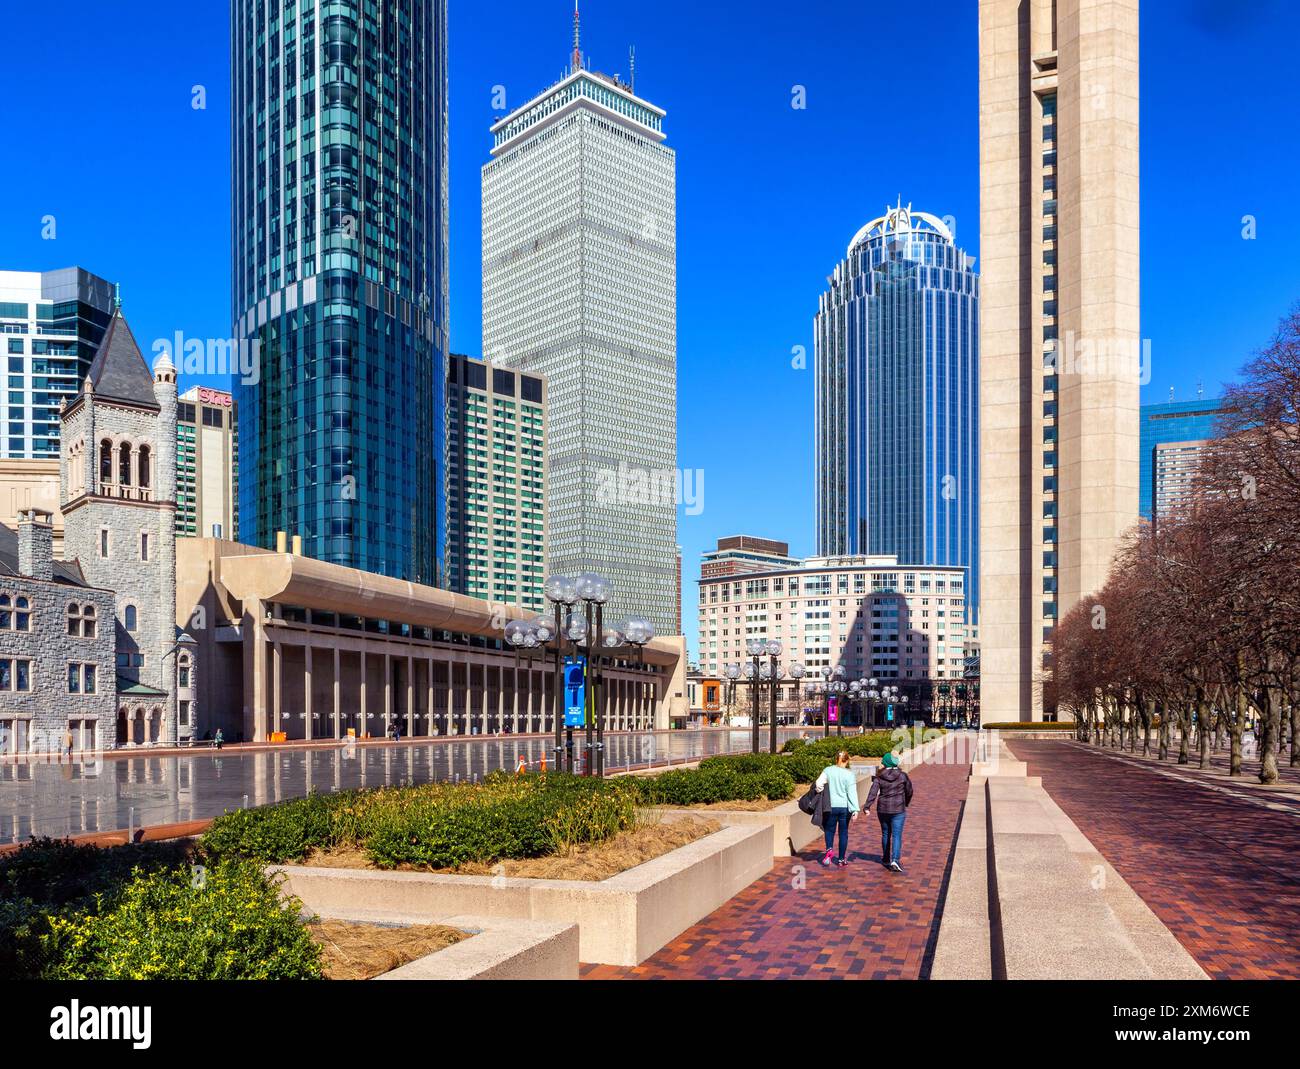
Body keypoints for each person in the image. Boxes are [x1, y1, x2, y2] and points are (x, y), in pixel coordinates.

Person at [864, 750, 913, 873]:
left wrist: (867, 806)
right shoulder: (903, 776)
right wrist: (906, 802)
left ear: (885, 763)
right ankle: (895, 860)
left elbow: (873, 792)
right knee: (896, 835)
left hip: (883, 809)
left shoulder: (879, 776)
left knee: (886, 833)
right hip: (898, 809)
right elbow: (909, 791)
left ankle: (886, 858)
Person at [814, 750, 859, 867]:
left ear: (835, 759)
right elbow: (852, 793)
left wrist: (820, 791)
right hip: (845, 808)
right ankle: (841, 859)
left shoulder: (828, 770)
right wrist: (855, 810)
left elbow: (818, 784)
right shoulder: (849, 774)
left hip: (830, 807)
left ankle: (829, 851)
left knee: (829, 830)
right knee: (843, 833)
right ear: (847, 760)